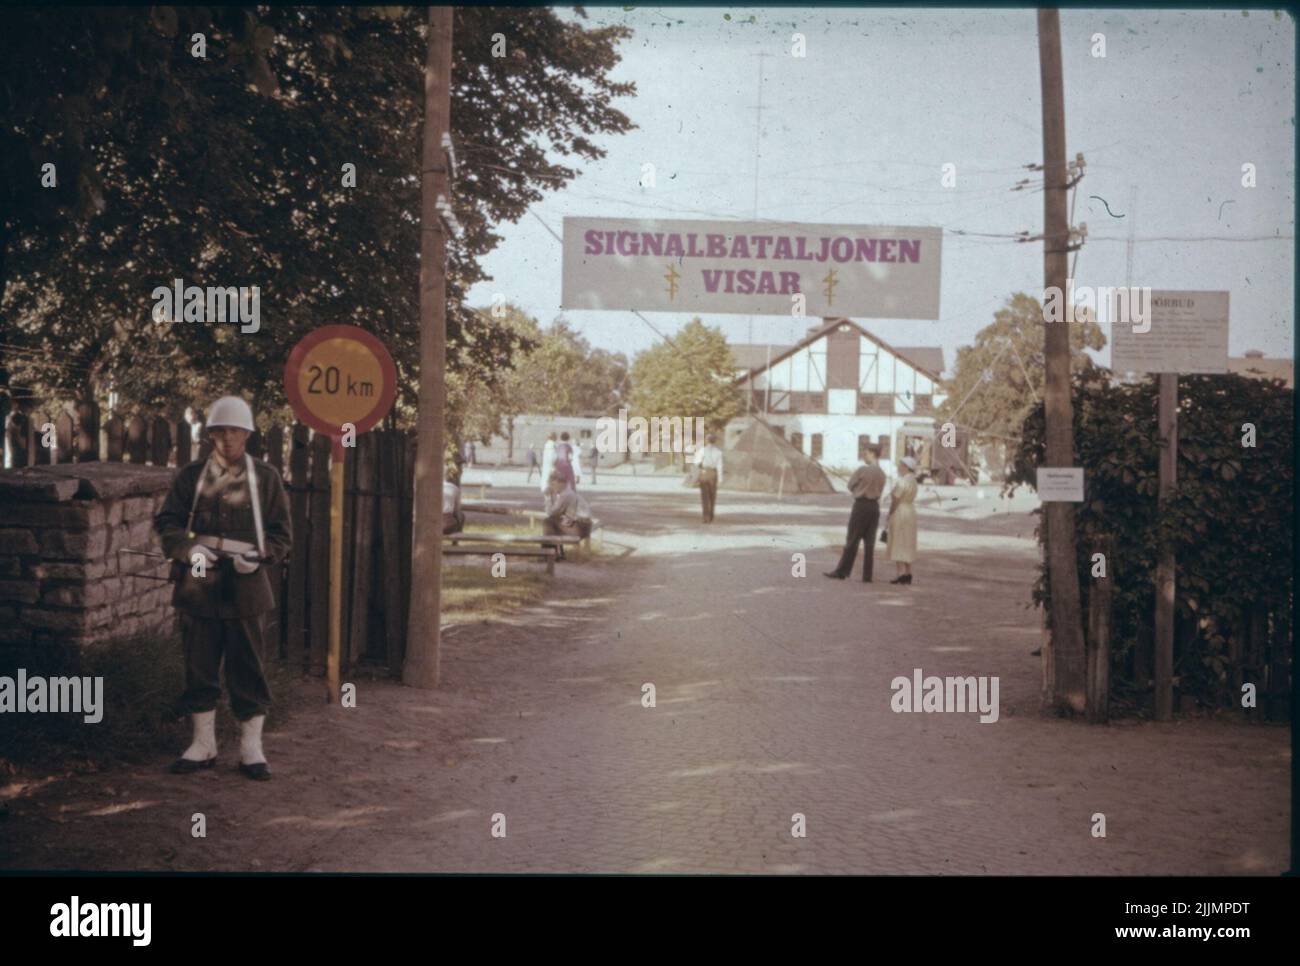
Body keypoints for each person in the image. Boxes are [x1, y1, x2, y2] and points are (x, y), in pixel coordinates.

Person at [153, 396, 292, 781]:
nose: (227, 438)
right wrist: (189, 550)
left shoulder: (265, 477)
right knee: (199, 664)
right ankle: (203, 745)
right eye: (220, 430)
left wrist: (261, 557)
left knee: (248, 666)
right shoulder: (191, 477)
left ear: (247, 434)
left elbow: (282, 533)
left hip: (246, 584)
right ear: (209, 433)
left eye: (234, 430)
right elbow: (168, 523)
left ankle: (251, 748)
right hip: (199, 582)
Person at [824, 444, 887, 582]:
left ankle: (842, 571)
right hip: (874, 508)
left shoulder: (862, 470)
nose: (864, 456)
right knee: (869, 543)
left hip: (861, 506)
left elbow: (850, 485)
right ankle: (867, 576)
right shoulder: (882, 473)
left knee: (852, 540)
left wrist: (860, 489)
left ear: (872, 453)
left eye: (865, 453)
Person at [542, 471, 592, 560]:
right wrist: (553, 495)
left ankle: (548, 555)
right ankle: (556, 554)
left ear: (560, 483)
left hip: (580, 528)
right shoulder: (568, 492)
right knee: (553, 523)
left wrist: (548, 497)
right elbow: (556, 512)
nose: (552, 487)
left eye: (553, 484)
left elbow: (551, 513)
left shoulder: (566, 495)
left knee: (548, 522)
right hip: (584, 526)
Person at [886, 455, 920, 585]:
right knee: (908, 541)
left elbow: (895, 499)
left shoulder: (902, 481)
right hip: (910, 510)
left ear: (906, 467)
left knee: (898, 541)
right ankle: (908, 572)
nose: (898, 468)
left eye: (900, 465)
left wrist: (890, 514)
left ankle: (900, 573)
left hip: (900, 511)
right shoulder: (913, 480)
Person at [693, 432, 724, 523]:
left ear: (707, 440)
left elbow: (696, 462)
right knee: (712, 496)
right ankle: (711, 516)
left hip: (704, 473)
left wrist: (701, 467)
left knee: (704, 496)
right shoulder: (719, 452)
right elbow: (720, 466)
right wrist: (720, 479)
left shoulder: (702, 450)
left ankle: (705, 517)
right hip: (713, 474)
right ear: (715, 441)